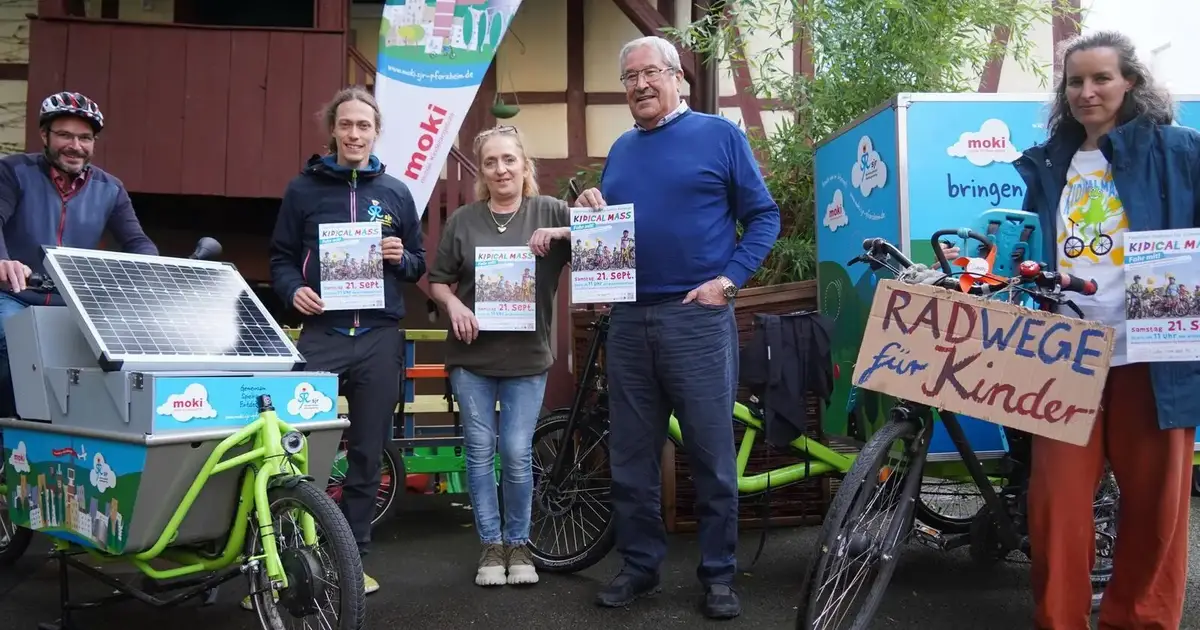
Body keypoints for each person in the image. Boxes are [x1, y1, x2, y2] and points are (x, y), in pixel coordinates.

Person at [941, 30, 1197, 630]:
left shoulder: (1180, 151)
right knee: (1055, 504)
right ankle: (1059, 621)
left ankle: (1139, 621)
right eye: (1075, 81)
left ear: (1130, 82)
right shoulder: (1050, 161)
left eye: (1101, 78)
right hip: (1065, 352)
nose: (1086, 92)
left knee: (1156, 506)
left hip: (1154, 351)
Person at [574, 35, 780, 619]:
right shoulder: (620, 150)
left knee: (712, 456)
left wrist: (730, 282)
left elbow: (763, 217)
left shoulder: (720, 136)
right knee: (630, 457)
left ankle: (718, 575)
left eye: (650, 74)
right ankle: (640, 568)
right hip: (630, 320)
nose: (639, 85)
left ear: (677, 78)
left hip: (697, 317)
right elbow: (615, 232)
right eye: (629, 77)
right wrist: (593, 207)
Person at [265, 86, 425, 599]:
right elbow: (281, 258)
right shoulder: (302, 191)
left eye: (364, 126)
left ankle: (353, 560)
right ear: (332, 130)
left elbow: (419, 264)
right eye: (346, 125)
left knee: (367, 454)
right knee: (295, 451)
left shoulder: (396, 193)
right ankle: (283, 565)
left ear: (375, 132)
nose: (355, 134)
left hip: (379, 335)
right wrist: (294, 290)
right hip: (322, 335)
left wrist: (401, 258)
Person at [426, 125, 571, 587]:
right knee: (479, 449)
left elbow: (605, 238)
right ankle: (491, 545)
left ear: (524, 165)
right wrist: (453, 305)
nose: (501, 169)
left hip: (528, 357)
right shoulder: (463, 220)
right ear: (482, 171)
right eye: (491, 162)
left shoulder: (547, 209)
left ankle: (519, 542)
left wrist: (565, 227)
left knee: (514, 449)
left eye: (509, 159)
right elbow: (438, 280)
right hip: (471, 357)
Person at [0, 91, 157, 418]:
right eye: (65, 135)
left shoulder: (110, 188)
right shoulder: (12, 172)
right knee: (12, 344)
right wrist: (3, 260)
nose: (76, 145)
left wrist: (153, 271)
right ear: (45, 135)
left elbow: (138, 242)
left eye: (85, 138)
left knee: (113, 359)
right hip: (15, 296)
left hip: (74, 303)